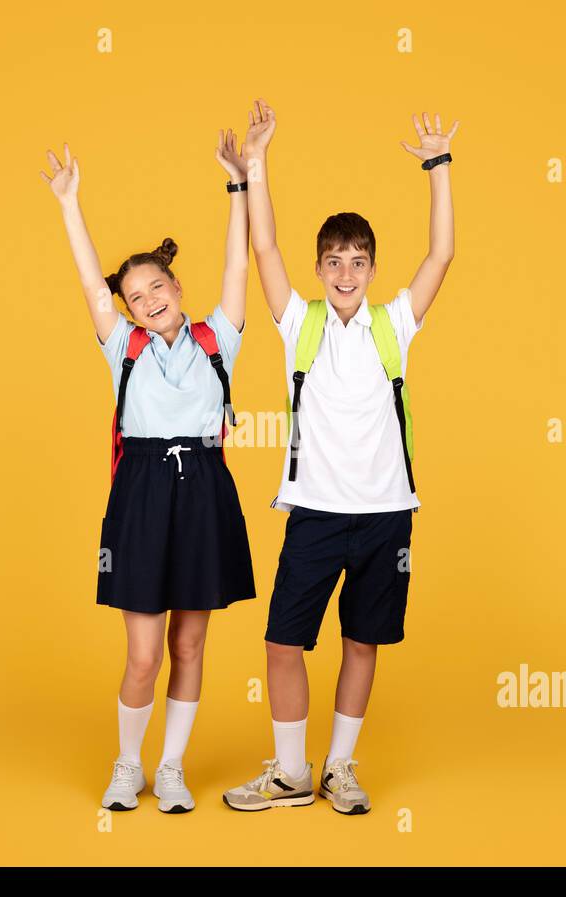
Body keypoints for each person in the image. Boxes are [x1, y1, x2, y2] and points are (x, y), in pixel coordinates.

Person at [223, 99, 457, 814]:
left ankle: (340, 768)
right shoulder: (302, 322)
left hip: (387, 517)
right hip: (317, 515)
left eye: (358, 262)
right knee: (283, 642)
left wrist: (438, 167)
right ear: (322, 268)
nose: (346, 272)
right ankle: (292, 773)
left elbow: (441, 255)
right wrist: (256, 164)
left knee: (363, 643)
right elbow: (265, 251)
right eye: (335, 261)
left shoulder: (395, 325)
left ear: (373, 268)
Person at [41, 132, 256, 813]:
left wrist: (238, 184)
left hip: (204, 491)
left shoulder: (217, 338)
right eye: (135, 296)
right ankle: (127, 764)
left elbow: (239, 266)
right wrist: (70, 204)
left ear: (175, 287)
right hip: (140, 492)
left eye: (156, 286)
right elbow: (86, 282)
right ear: (127, 310)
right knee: (143, 652)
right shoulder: (123, 348)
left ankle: (170, 769)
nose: (148, 300)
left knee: (189, 640)